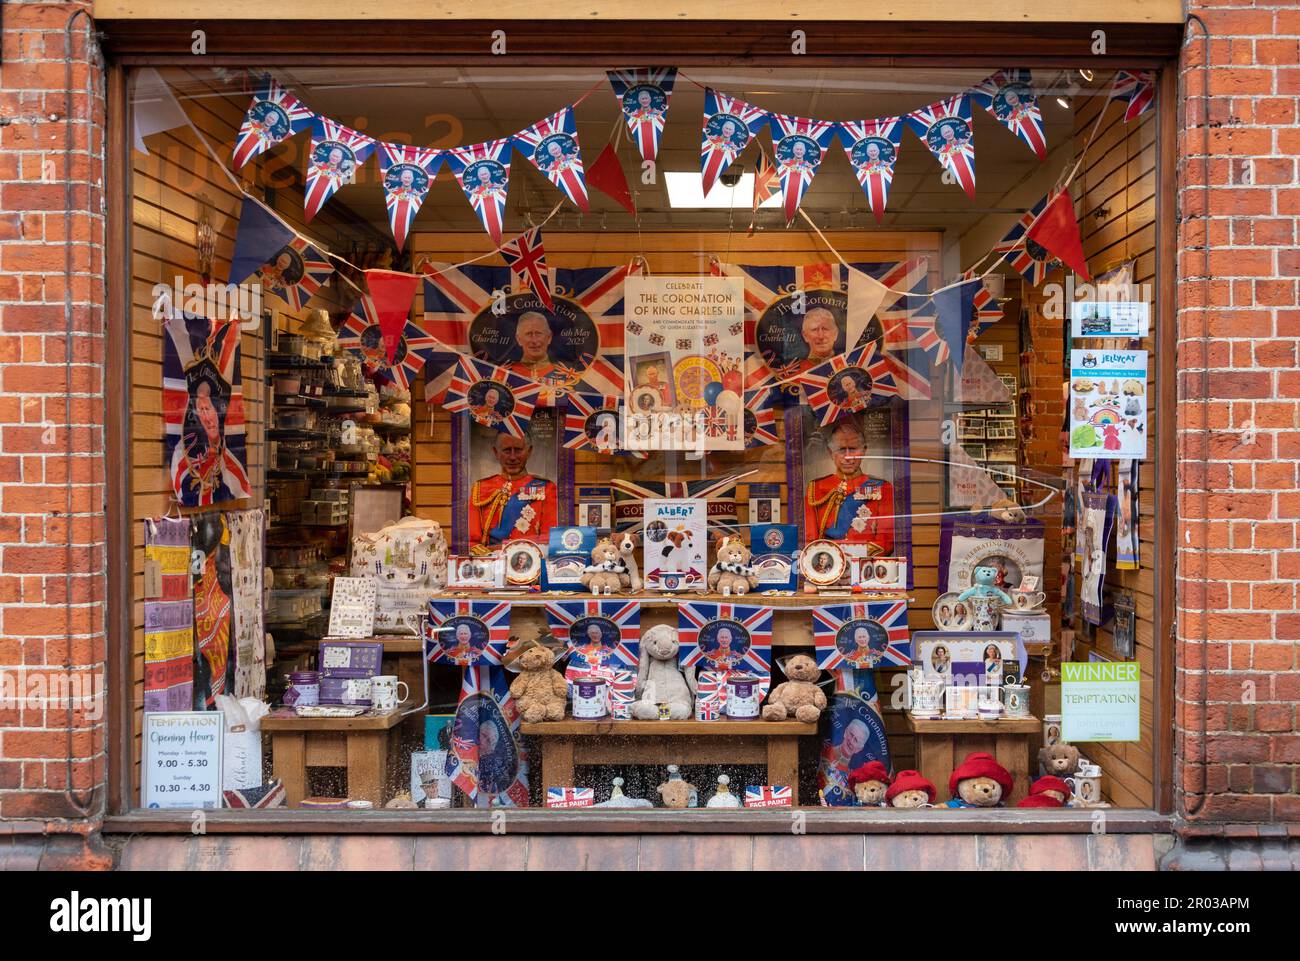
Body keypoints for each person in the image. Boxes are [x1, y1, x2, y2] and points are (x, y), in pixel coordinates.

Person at [803, 417, 895, 554]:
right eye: (841, 450)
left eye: (853, 449)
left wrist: (851, 554)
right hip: (828, 566)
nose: (848, 457)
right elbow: (810, 540)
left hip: (866, 567)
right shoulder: (816, 489)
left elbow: (886, 541)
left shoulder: (882, 488)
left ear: (864, 451)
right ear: (830, 453)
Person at [173, 359, 250, 507]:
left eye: (207, 409)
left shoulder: (232, 458)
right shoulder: (191, 452)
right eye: (200, 411)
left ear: (217, 411)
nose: (206, 418)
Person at [469, 431, 558, 550]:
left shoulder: (546, 487)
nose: (512, 457)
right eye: (507, 450)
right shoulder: (481, 489)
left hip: (531, 561)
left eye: (518, 450)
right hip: (492, 564)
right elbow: (472, 542)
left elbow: (549, 538)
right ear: (496, 452)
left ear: (529, 451)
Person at [507, 311, 557, 383]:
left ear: (549, 337)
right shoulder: (506, 375)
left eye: (538, 333)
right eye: (528, 334)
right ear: (519, 339)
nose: (534, 340)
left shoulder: (566, 376)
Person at [793, 307, 839, 374]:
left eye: (825, 329)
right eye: (814, 329)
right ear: (805, 336)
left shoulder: (848, 366)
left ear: (835, 334)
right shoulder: (794, 375)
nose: (821, 336)